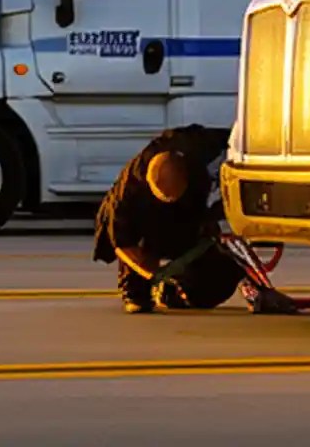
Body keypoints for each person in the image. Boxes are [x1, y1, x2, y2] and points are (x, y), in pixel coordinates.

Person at [93, 124, 296, 314]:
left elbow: (239, 140)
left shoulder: (196, 144)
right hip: (150, 227)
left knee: (214, 287)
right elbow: (122, 243)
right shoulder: (126, 196)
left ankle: (180, 292)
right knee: (138, 303)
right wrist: (152, 274)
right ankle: (138, 290)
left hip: (192, 215)